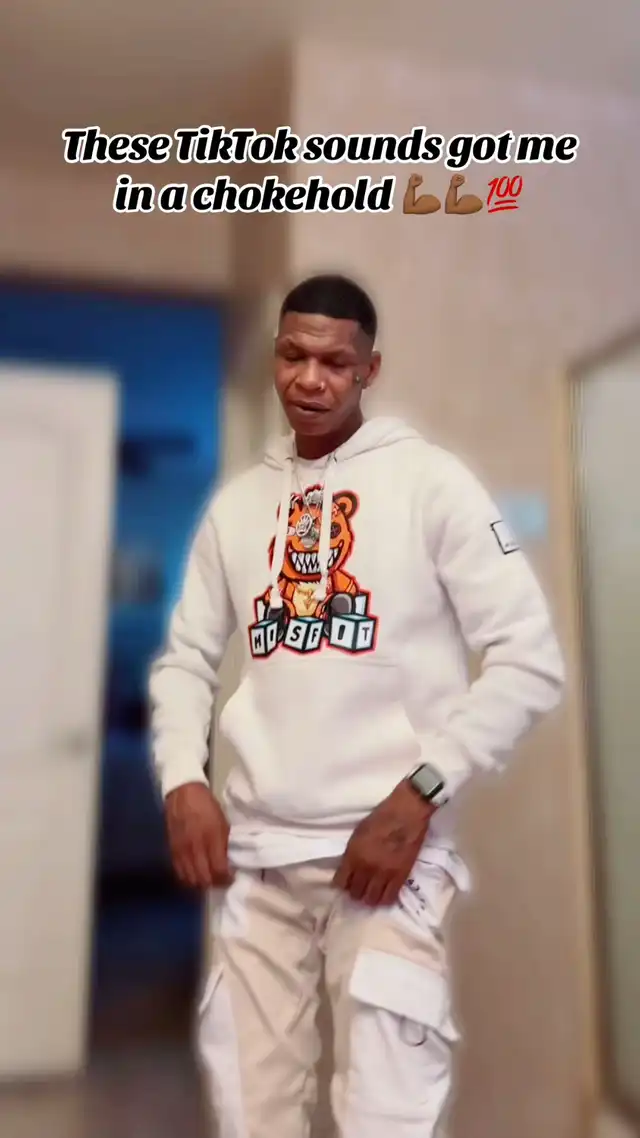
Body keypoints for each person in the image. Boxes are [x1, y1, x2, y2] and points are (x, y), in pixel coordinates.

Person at [149, 273, 564, 1138]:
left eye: (335, 362)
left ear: (371, 369)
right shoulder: (236, 509)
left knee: (386, 1118)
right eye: (293, 356)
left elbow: (529, 658)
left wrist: (421, 793)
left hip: (387, 861)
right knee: (251, 1116)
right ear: (274, 357)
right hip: (257, 860)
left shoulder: (431, 484)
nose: (311, 379)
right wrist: (183, 780)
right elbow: (186, 659)